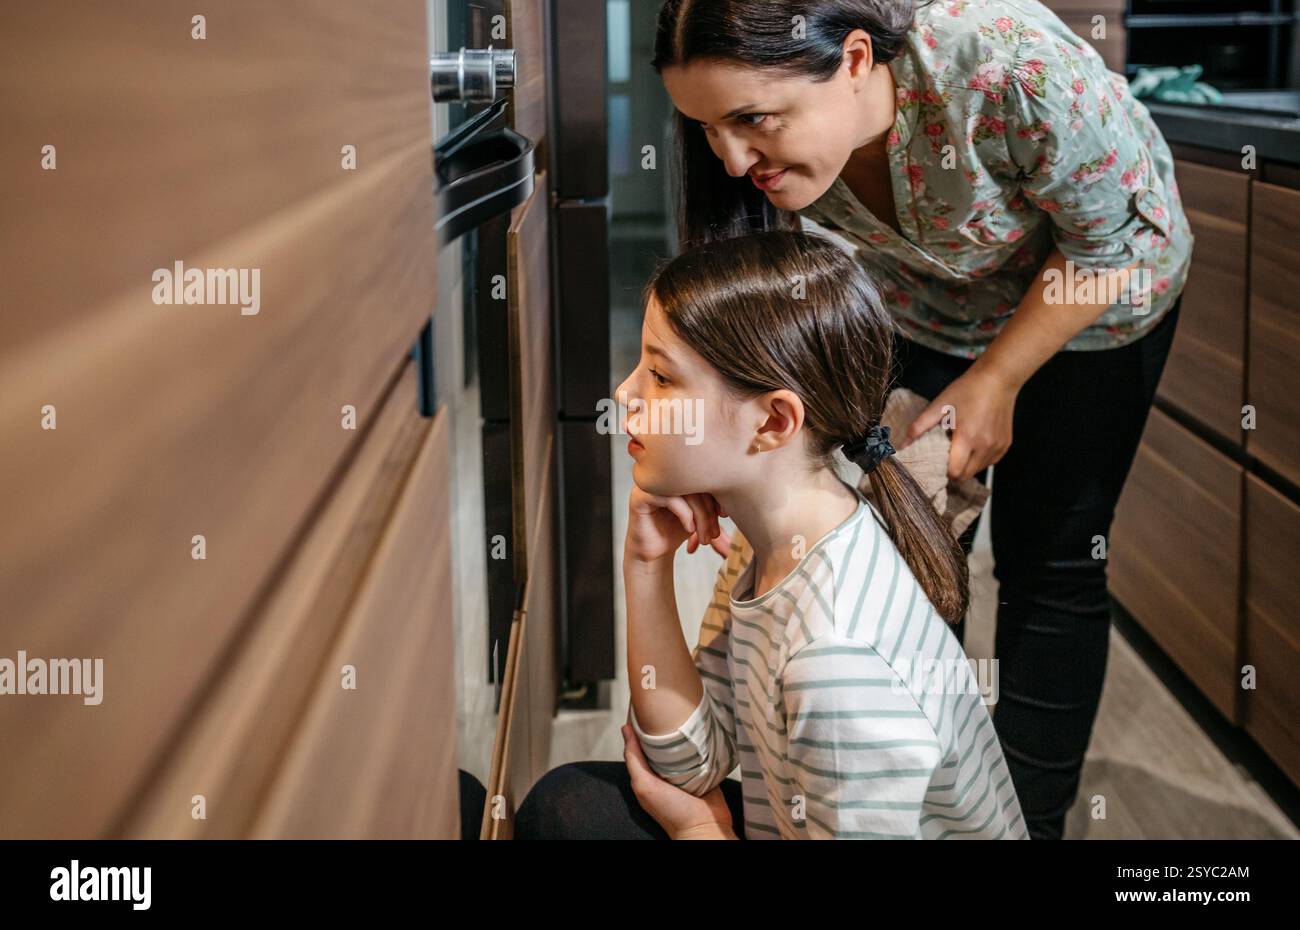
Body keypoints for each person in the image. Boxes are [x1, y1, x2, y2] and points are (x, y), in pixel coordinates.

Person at [647, 0, 1192, 839]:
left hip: (1096, 300)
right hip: (932, 311)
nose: (730, 158)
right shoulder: (748, 141)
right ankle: (938, 787)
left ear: (856, 58)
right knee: (910, 544)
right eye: (706, 128)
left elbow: (1116, 241)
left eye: (754, 121)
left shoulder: (1007, 62)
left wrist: (1000, 377)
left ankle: (1030, 821)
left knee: (1054, 559)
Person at [517, 230, 1027, 839]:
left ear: (773, 421)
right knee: (566, 804)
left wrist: (700, 833)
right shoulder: (786, 550)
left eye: (660, 375)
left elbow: (692, 792)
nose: (625, 394)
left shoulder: (837, 660)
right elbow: (690, 762)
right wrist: (646, 563)